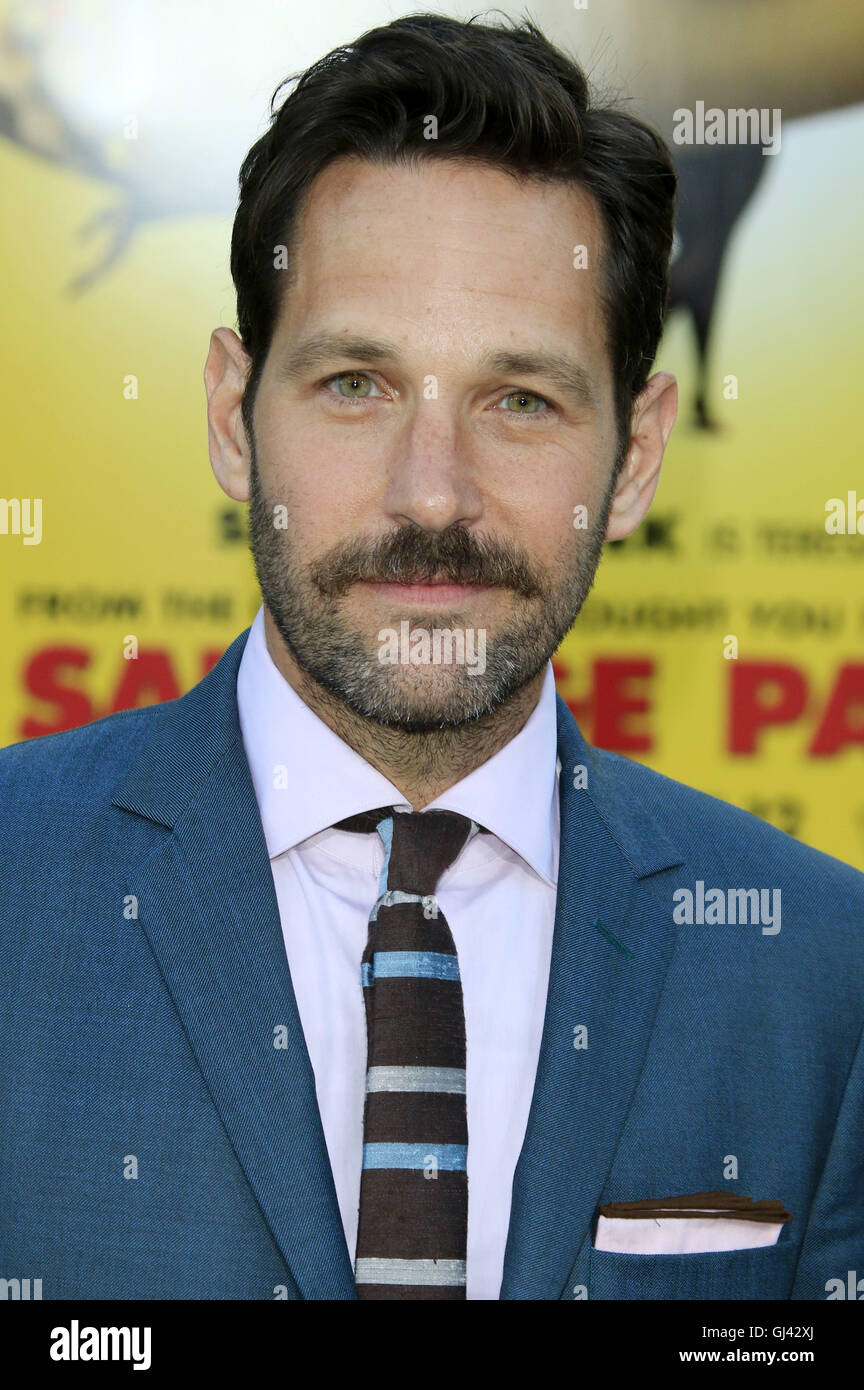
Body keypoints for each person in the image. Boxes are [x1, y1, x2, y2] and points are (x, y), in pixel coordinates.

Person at [1, 12, 861, 1302]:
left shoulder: (820, 969)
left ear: (633, 457)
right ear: (235, 421)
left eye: (521, 401)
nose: (432, 495)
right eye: (357, 383)